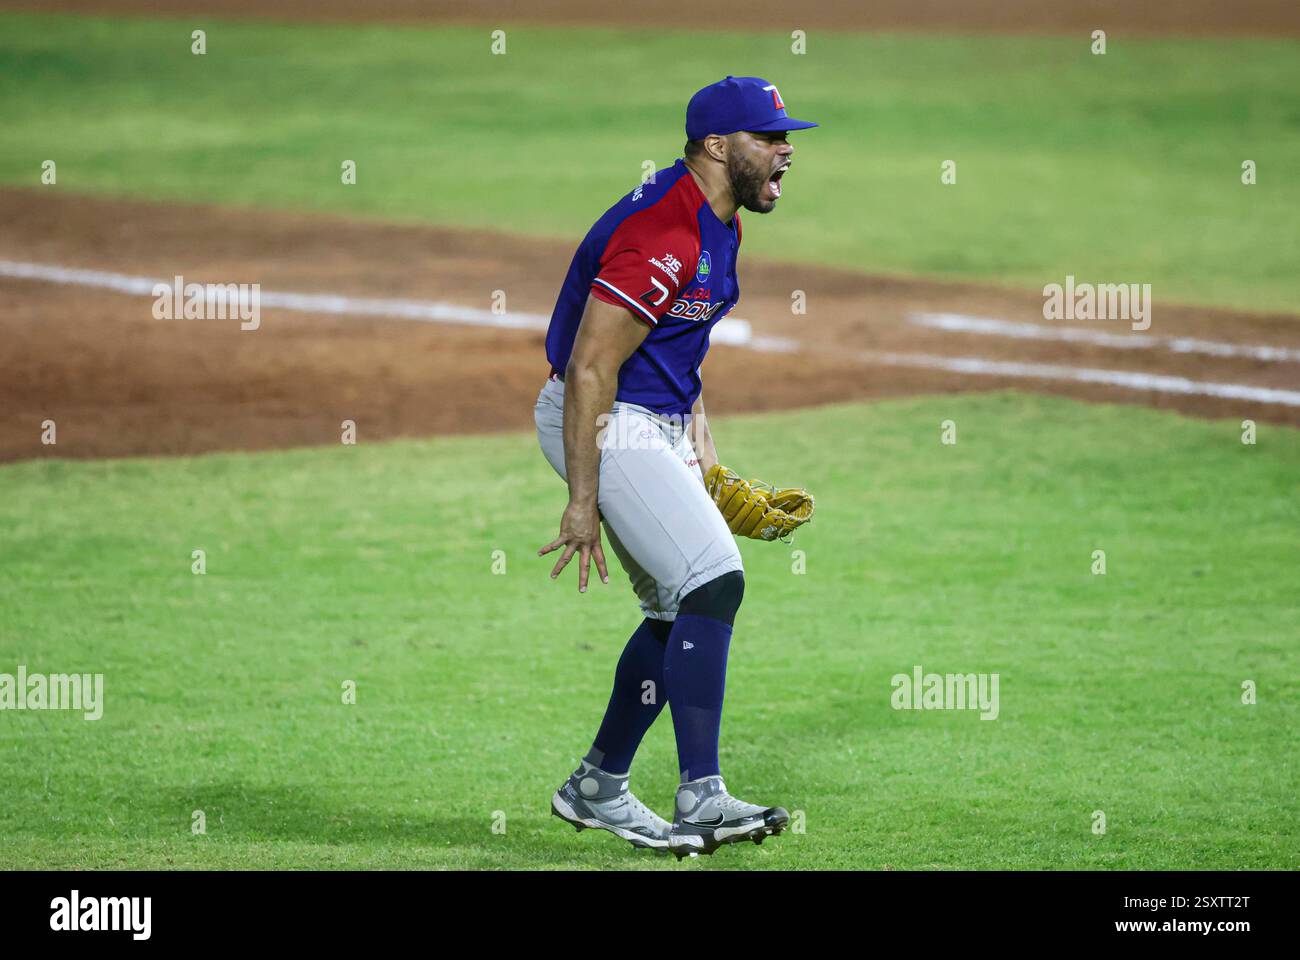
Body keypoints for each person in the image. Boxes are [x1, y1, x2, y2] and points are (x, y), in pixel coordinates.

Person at [535, 76, 818, 858]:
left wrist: (704, 456)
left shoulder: (719, 222)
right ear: (718, 146)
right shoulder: (663, 231)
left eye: (787, 136)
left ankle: (598, 786)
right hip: (598, 418)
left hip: (647, 421)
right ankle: (702, 796)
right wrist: (582, 499)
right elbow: (593, 366)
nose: (787, 150)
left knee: (674, 610)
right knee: (714, 579)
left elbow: (674, 357)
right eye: (770, 137)